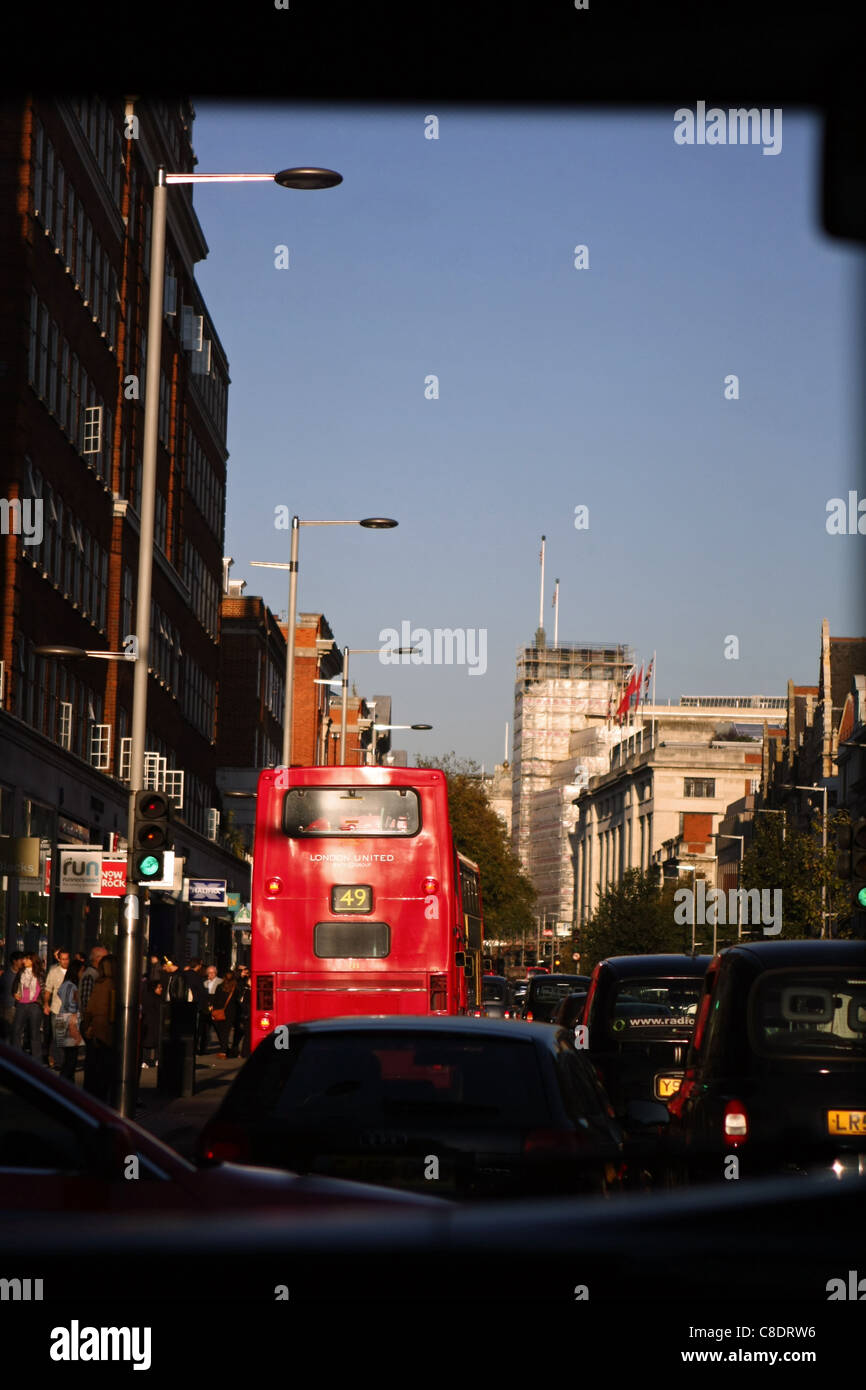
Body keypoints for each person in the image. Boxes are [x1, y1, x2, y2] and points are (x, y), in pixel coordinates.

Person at [82, 953, 117, 1102]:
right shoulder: (116, 984)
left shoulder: (99, 983)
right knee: (106, 1068)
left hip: (96, 1030)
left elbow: (90, 1008)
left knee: (93, 1067)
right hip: (109, 1030)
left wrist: (87, 1025)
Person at [56, 957, 84, 1081]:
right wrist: (73, 1028)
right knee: (70, 1060)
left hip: (65, 1021)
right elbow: (69, 1007)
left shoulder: (67, 985)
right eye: (81, 970)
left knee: (69, 1058)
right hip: (69, 1022)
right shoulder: (70, 986)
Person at [12, 954, 44, 1055]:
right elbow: (15, 985)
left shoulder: (40, 973)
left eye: (26, 959)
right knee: (16, 1030)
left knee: (34, 1033)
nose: (24, 961)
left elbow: (44, 989)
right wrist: (14, 993)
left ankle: (36, 1059)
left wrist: (44, 1004)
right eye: (24, 959)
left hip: (35, 1005)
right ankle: (17, 1056)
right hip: (21, 1004)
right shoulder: (21, 972)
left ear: (32, 960)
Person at [43, 946, 70, 1067]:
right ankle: (60, 1061)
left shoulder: (73, 972)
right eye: (63, 959)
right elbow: (48, 990)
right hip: (57, 1008)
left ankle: (66, 1061)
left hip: (70, 1009)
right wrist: (46, 1004)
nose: (65, 961)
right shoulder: (53, 972)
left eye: (67, 959)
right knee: (57, 1036)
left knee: (68, 1037)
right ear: (59, 959)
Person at [182, 958, 211, 1055]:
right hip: (195, 1005)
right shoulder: (197, 977)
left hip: (183, 1004)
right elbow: (202, 993)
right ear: (198, 965)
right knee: (194, 1030)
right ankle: (192, 1049)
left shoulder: (183, 975)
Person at [210, 970, 239, 1057]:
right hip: (231, 1012)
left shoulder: (219, 987)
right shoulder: (235, 988)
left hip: (219, 1011)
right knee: (226, 1032)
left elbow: (215, 1000)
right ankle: (224, 1050)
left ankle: (223, 1050)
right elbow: (237, 1000)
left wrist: (213, 1009)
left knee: (221, 1031)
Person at [0, 952, 24, 1042]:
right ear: (15, 961)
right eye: (21, 960)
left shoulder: (24, 974)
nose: (23, 961)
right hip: (9, 1007)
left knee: (19, 1032)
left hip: (21, 1007)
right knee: (8, 1032)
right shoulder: (6, 975)